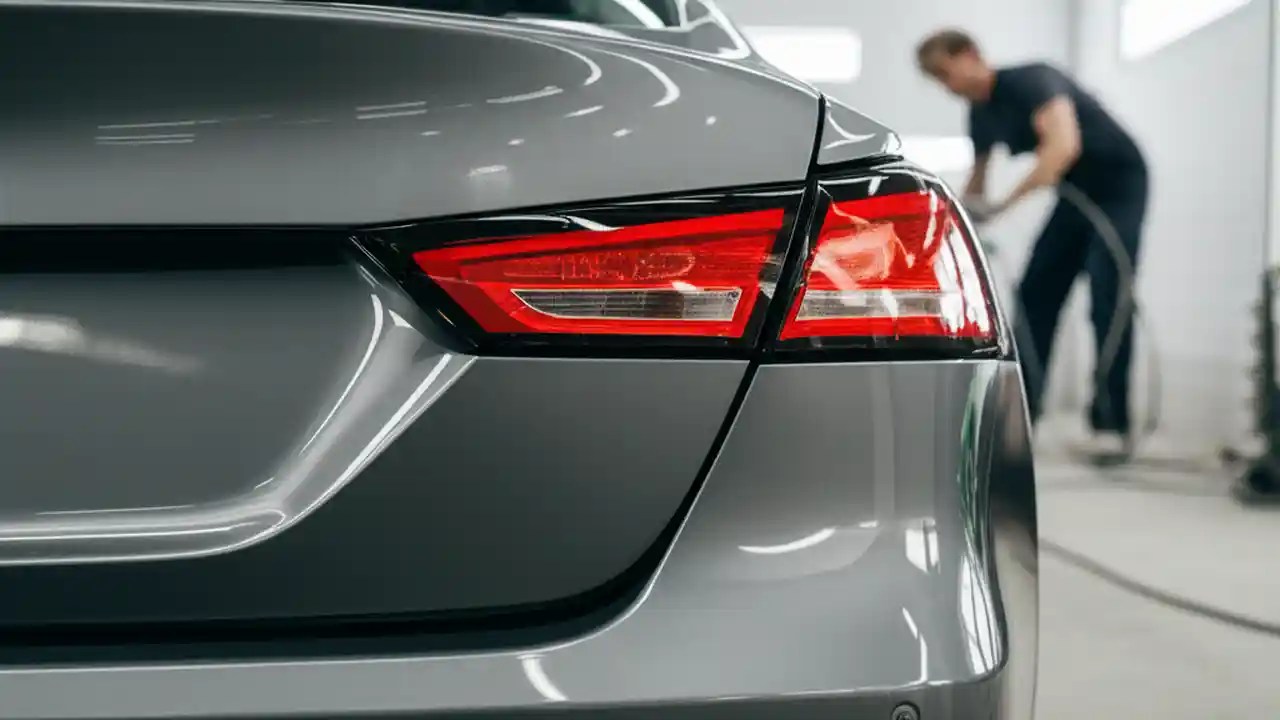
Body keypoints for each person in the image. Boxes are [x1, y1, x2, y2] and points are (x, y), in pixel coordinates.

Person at [917, 29, 1148, 458]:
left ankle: (1112, 423)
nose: (947, 88)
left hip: (1119, 186)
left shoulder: (1031, 80)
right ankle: (1022, 418)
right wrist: (958, 220)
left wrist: (1002, 206)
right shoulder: (980, 113)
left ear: (970, 54)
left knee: (1107, 295)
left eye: (947, 74)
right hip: (1074, 194)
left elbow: (1063, 146)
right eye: (938, 81)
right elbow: (978, 179)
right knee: (1035, 295)